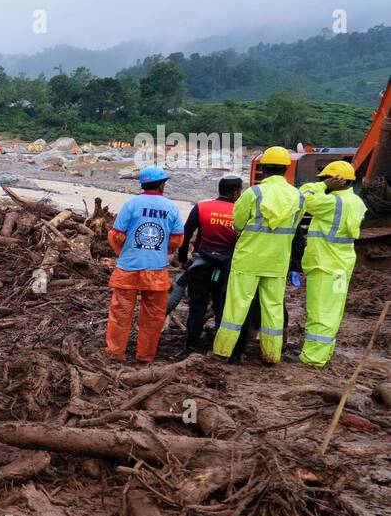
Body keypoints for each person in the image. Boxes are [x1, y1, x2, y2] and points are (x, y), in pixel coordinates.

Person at [212, 146, 304, 365]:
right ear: (286, 168)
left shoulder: (254, 193)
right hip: (277, 261)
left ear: (263, 168)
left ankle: (223, 351)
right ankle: (272, 355)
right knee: (273, 309)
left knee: (236, 306)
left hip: (248, 260)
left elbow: (238, 224)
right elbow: (295, 228)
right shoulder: (298, 197)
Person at [106, 166, 184, 363]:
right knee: (153, 316)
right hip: (156, 271)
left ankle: (115, 353)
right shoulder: (172, 207)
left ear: (142, 184)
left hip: (127, 269)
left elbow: (116, 235)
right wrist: (160, 250)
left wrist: (125, 252)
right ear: (161, 184)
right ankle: (145, 356)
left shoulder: (131, 204)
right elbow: (176, 240)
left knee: (120, 313)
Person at [297, 160, 366, 366]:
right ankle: (323, 353)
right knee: (332, 311)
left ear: (337, 181)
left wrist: (324, 186)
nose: (323, 181)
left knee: (320, 311)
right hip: (341, 265)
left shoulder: (333, 202)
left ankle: (313, 358)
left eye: (326, 178)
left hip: (325, 265)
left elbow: (301, 197)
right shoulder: (356, 202)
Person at [175, 176, 242, 354]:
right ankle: (220, 345)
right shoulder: (240, 211)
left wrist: (183, 259)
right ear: (236, 193)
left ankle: (190, 344)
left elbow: (186, 234)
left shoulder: (202, 207)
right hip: (226, 267)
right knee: (221, 306)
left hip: (201, 264)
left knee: (197, 305)